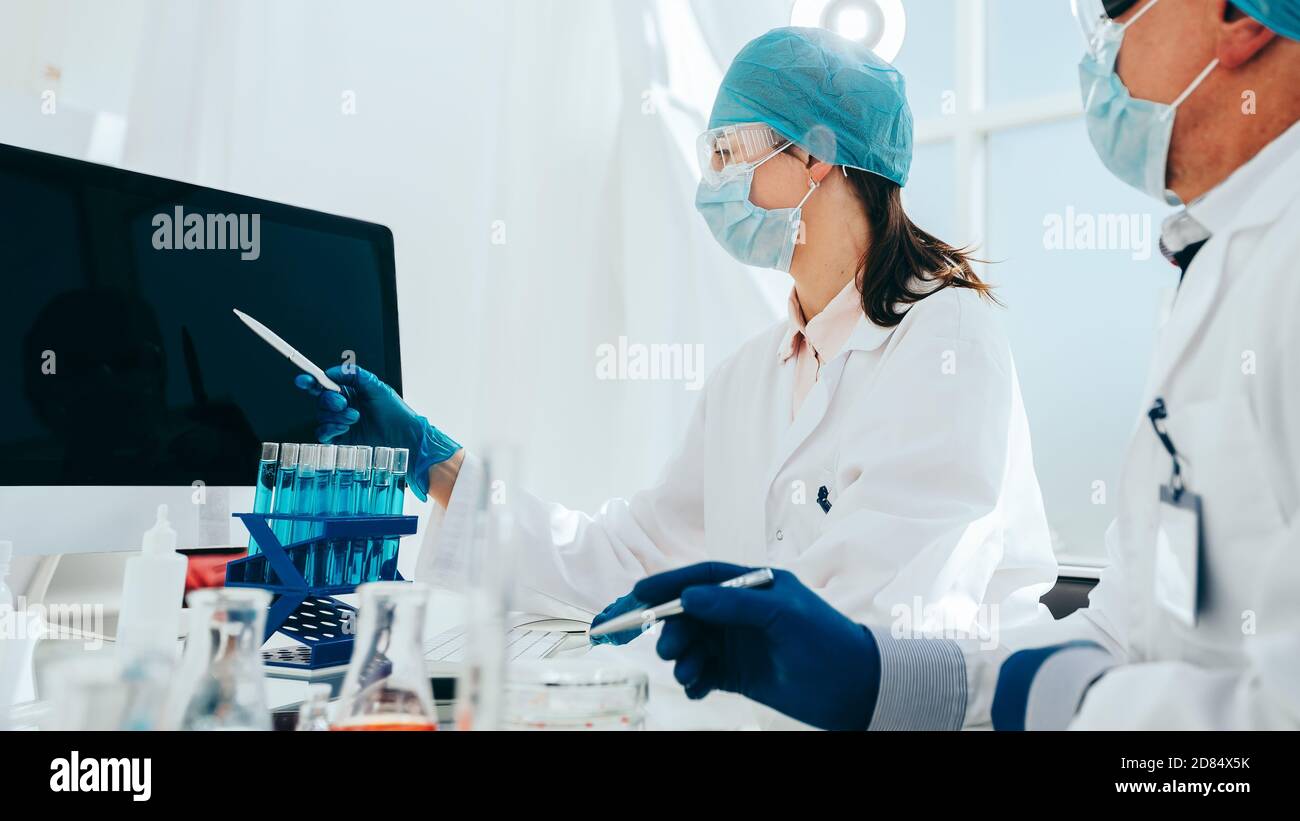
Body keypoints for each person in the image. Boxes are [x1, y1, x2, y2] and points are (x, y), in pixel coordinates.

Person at [634, 0, 1300, 731]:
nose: (1101, 45)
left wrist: (1050, 704)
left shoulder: (1277, 270)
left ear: (1242, 16)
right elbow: (1129, 631)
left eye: (1119, 6)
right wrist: (884, 677)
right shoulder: (1221, 266)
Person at [297, 28, 1057, 651]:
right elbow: (620, 555)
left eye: (730, 153)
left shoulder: (947, 340)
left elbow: (885, 613)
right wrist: (431, 458)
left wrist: (689, 631)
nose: (714, 184)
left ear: (816, 155)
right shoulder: (749, 377)